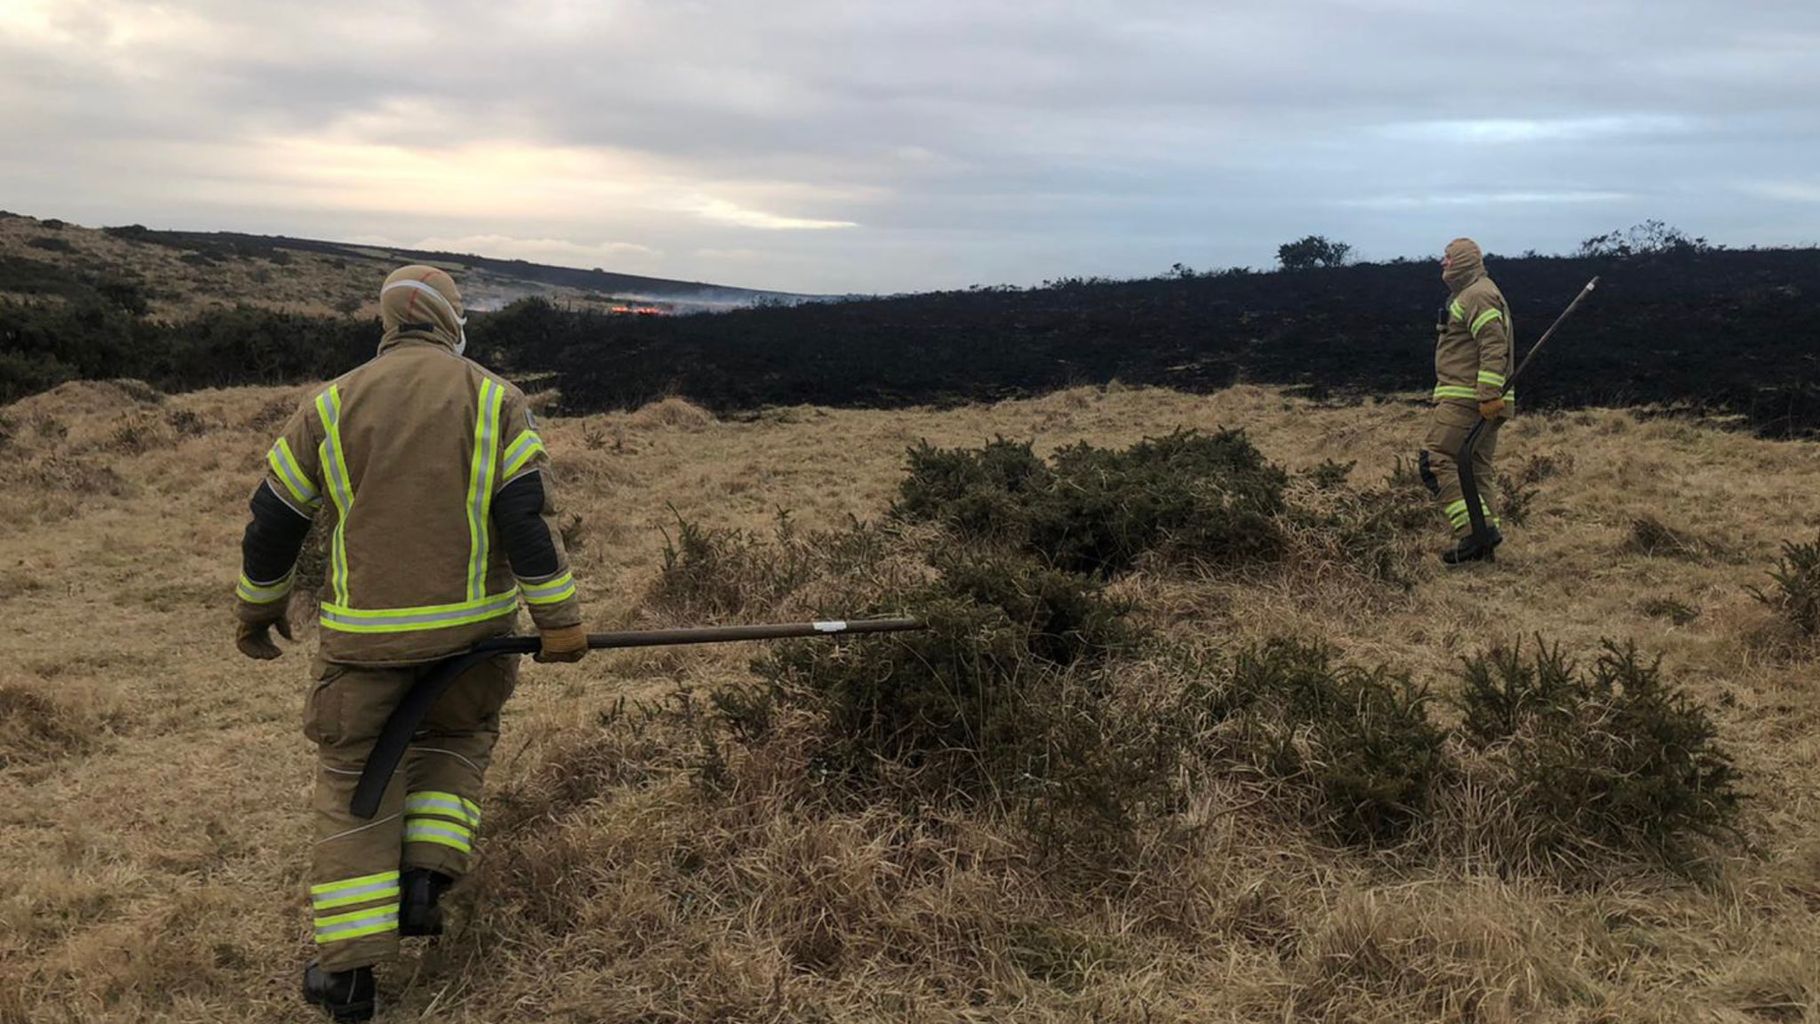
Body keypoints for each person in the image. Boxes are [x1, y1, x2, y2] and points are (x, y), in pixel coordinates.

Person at [232, 265, 588, 1021]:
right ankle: (425, 879)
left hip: (363, 642)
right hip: (475, 637)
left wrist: (256, 610)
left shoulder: (329, 405)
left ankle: (351, 979)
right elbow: (525, 521)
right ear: (454, 320)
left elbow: (273, 524)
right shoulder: (495, 399)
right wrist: (558, 620)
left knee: (355, 782)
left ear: (388, 323)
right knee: (457, 737)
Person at [1420, 237, 1514, 565]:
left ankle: (1476, 533)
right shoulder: (1473, 293)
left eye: (1447, 258)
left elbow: (1493, 345)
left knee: (1436, 461)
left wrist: (1488, 395)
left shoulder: (1477, 295)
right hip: (1477, 400)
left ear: (1462, 261)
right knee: (1475, 470)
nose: (1442, 263)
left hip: (1467, 400)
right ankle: (1486, 548)